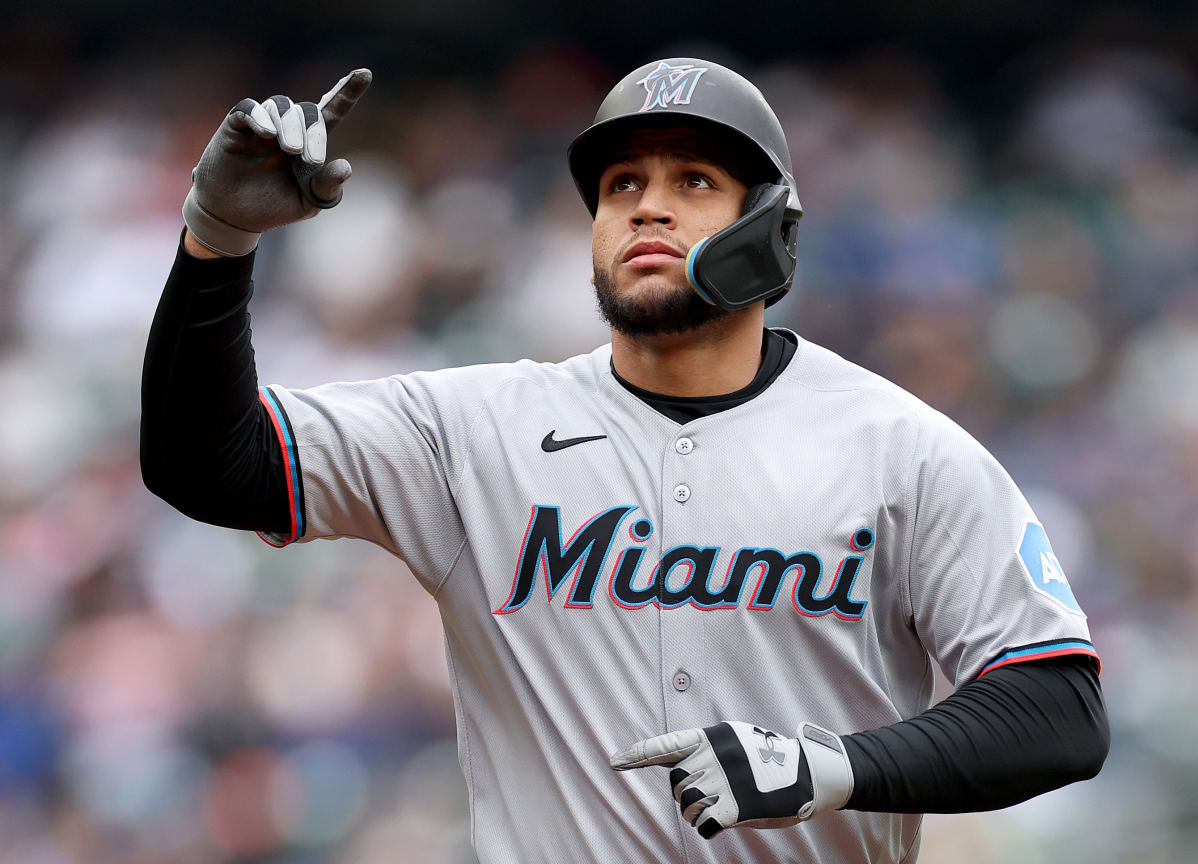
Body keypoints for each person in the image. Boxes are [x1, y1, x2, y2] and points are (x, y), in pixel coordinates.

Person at [142, 58, 1109, 864]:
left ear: (771, 229)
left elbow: (1057, 707)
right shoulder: (476, 429)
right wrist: (218, 242)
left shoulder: (901, 447)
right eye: (622, 186)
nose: (648, 208)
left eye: (694, 181)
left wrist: (839, 767)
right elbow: (207, 464)